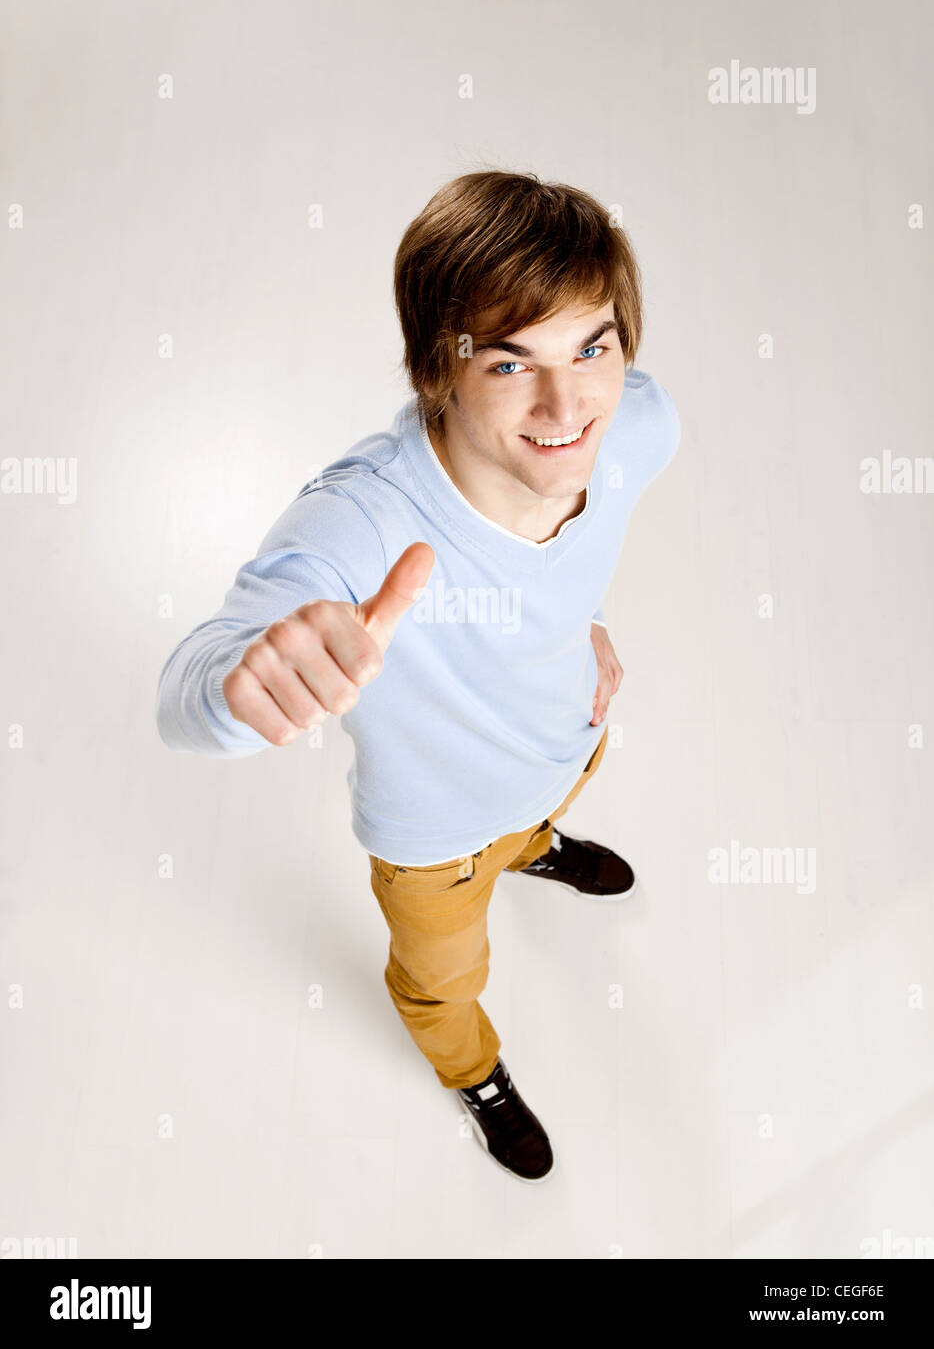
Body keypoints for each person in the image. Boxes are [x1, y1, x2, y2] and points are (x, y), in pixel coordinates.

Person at [156, 169, 680, 1184]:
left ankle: (534, 846)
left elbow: (572, 536)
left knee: (537, 816)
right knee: (443, 980)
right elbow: (190, 684)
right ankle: (472, 1071)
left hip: (567, 738)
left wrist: (590, 621)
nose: (567, 405)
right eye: (508, 363)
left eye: (591, 347)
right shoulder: (361, 521)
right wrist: (241, 688)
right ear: (434, 369)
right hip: (433, 841)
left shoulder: (638, 425)